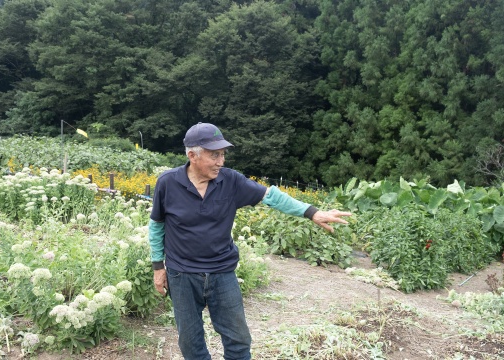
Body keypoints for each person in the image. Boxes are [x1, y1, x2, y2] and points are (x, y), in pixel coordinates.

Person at [148, 122, 352, 360]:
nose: (221, 161)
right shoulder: (168, 183)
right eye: (215, 155)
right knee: (190, 343)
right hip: (182, 274)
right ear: (192, 155)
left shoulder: (231, 181)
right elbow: (157, 225)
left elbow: (271, 196)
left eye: (223, 154)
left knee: (238, 340)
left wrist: (312, 212)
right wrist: (157, 267)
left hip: (222, 272)